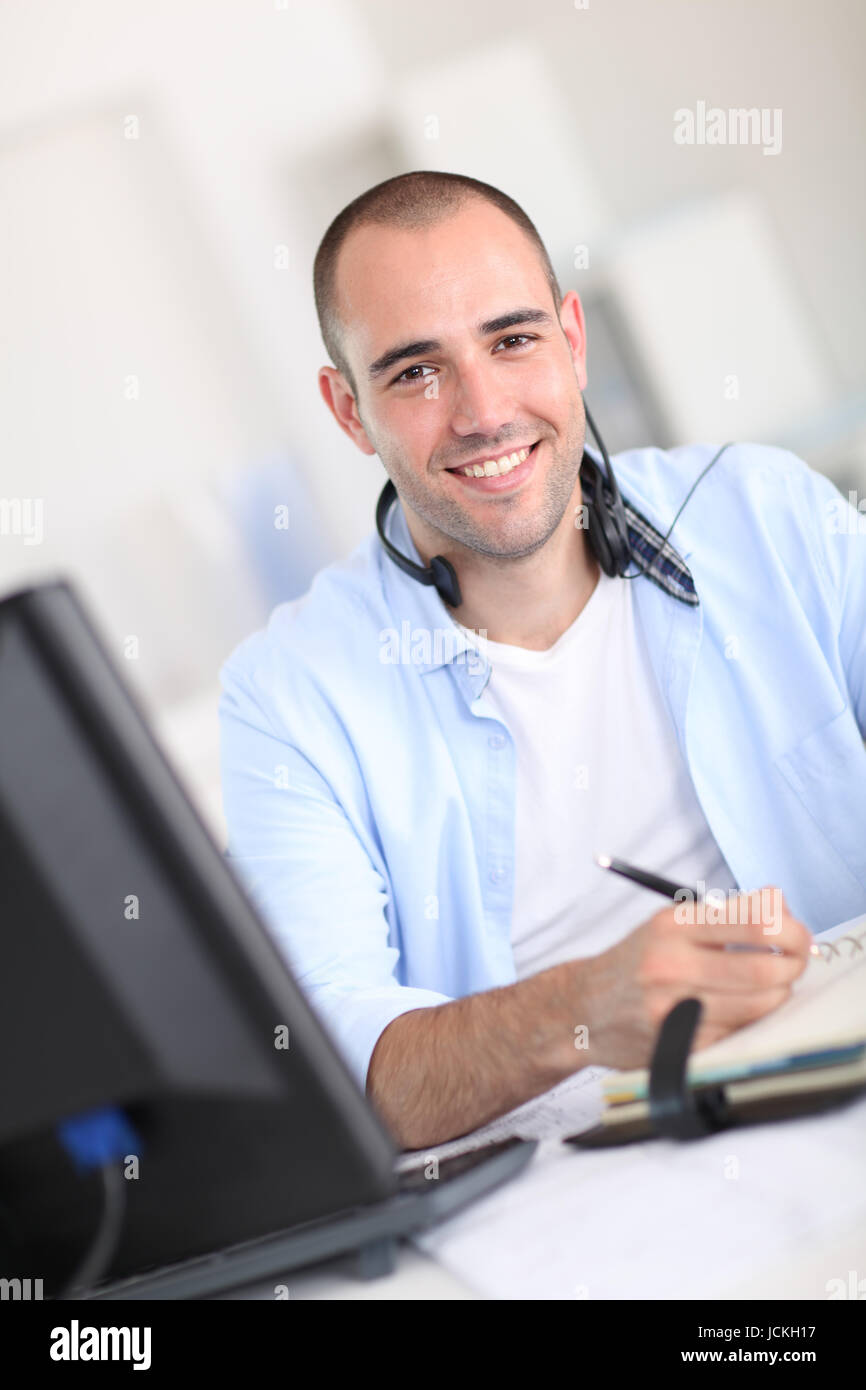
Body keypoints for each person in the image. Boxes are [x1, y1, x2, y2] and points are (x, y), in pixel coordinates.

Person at [218, 171, 866, 1150]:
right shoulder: (287, 695)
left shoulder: (764, 512)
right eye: (414, 372)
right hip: (583, 1170)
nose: (481, 411)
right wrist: (578, 1008)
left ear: (570, 339)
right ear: (348, 411)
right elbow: (339, 1071)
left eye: (511, 340)